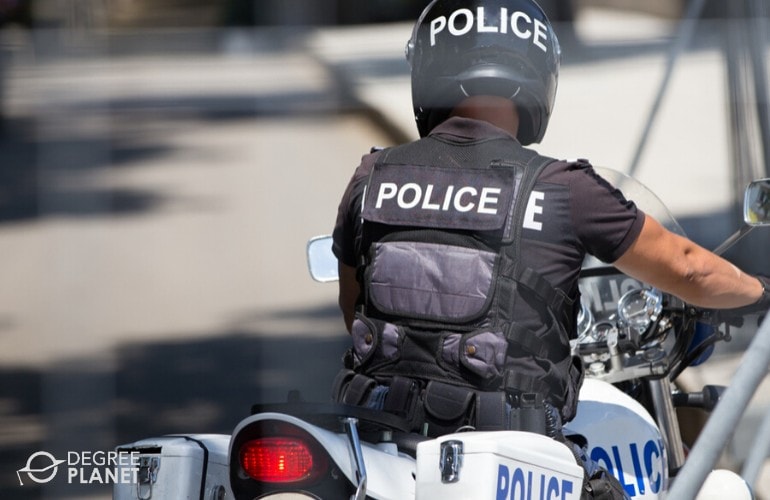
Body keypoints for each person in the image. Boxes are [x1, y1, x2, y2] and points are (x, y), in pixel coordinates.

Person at [330, 0, 769, 497]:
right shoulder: (562, 189)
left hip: (380, 443)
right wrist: (761, 292)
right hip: (514, 458)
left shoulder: (372, 177)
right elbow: (688, 268)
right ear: (538, 75)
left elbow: (354, 306)